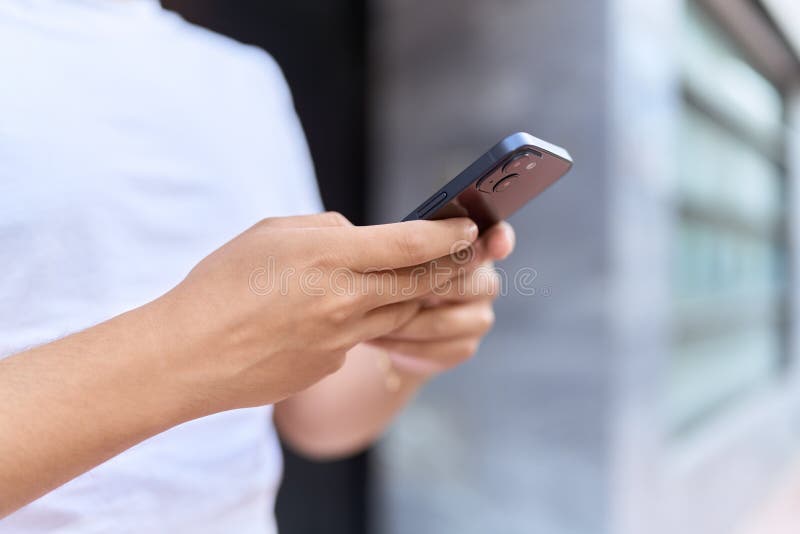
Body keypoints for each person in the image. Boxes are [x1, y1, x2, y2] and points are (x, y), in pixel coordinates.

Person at [0, 1, 515, 532]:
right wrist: (198, 343)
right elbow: (223, 346)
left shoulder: (241, 77)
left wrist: (404, 336)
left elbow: (319, 416)